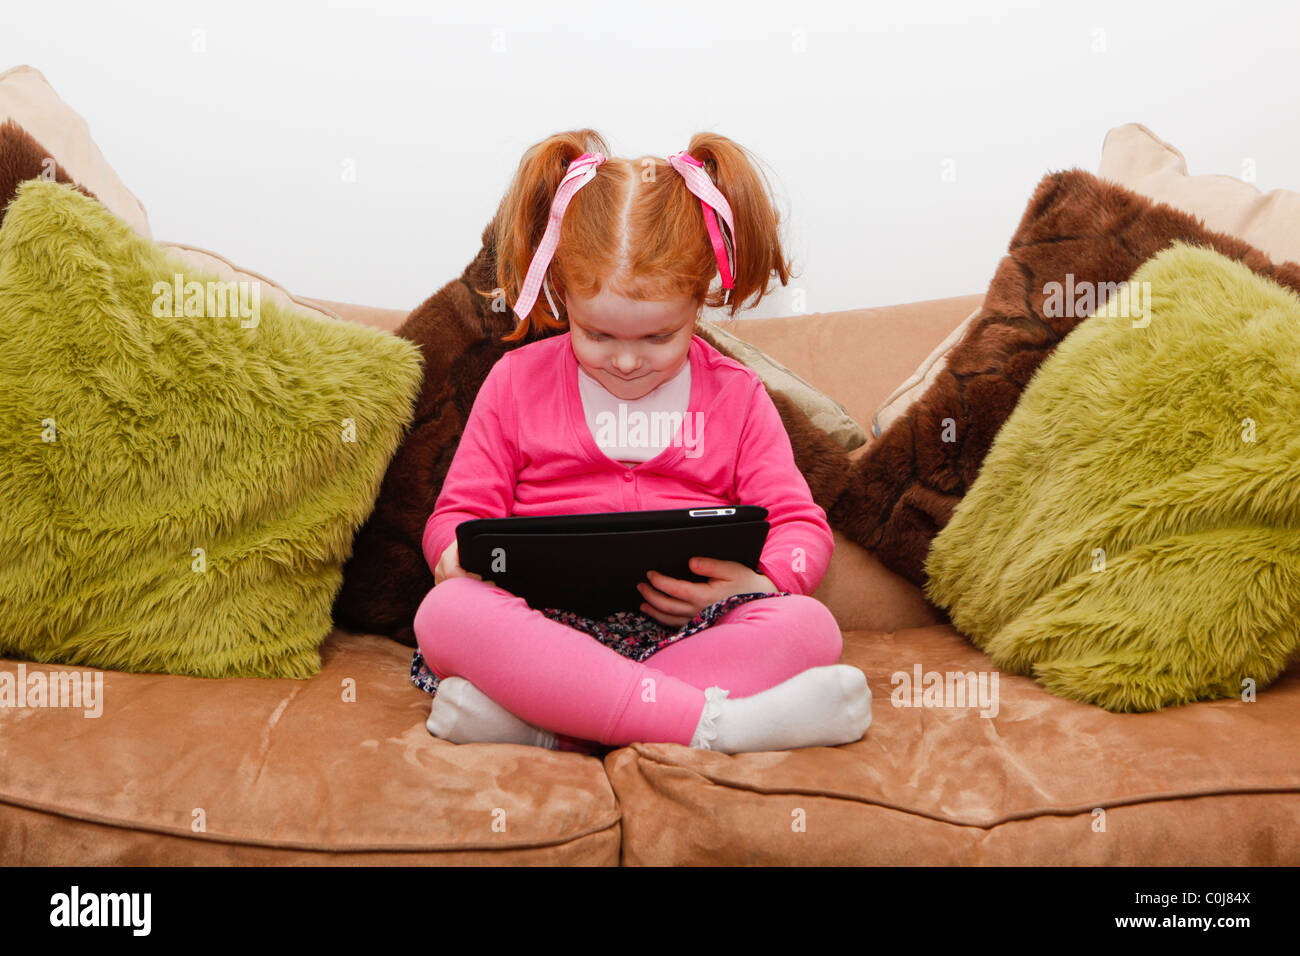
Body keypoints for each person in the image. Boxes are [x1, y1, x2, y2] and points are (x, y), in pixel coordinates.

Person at [411, 130, 871, 755]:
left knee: (809, 627)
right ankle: (720, 728)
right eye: (596, 334)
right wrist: (452, 557)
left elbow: (800, 525)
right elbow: (457, 516)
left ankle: (548, 727)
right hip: (542, 635)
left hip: (690, 634)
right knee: (445, 613)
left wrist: (760, 582)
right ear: (560, 296)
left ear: (700, 302)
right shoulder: (516, 381)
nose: (626, 361)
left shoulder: (734, 396)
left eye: (659, 338)